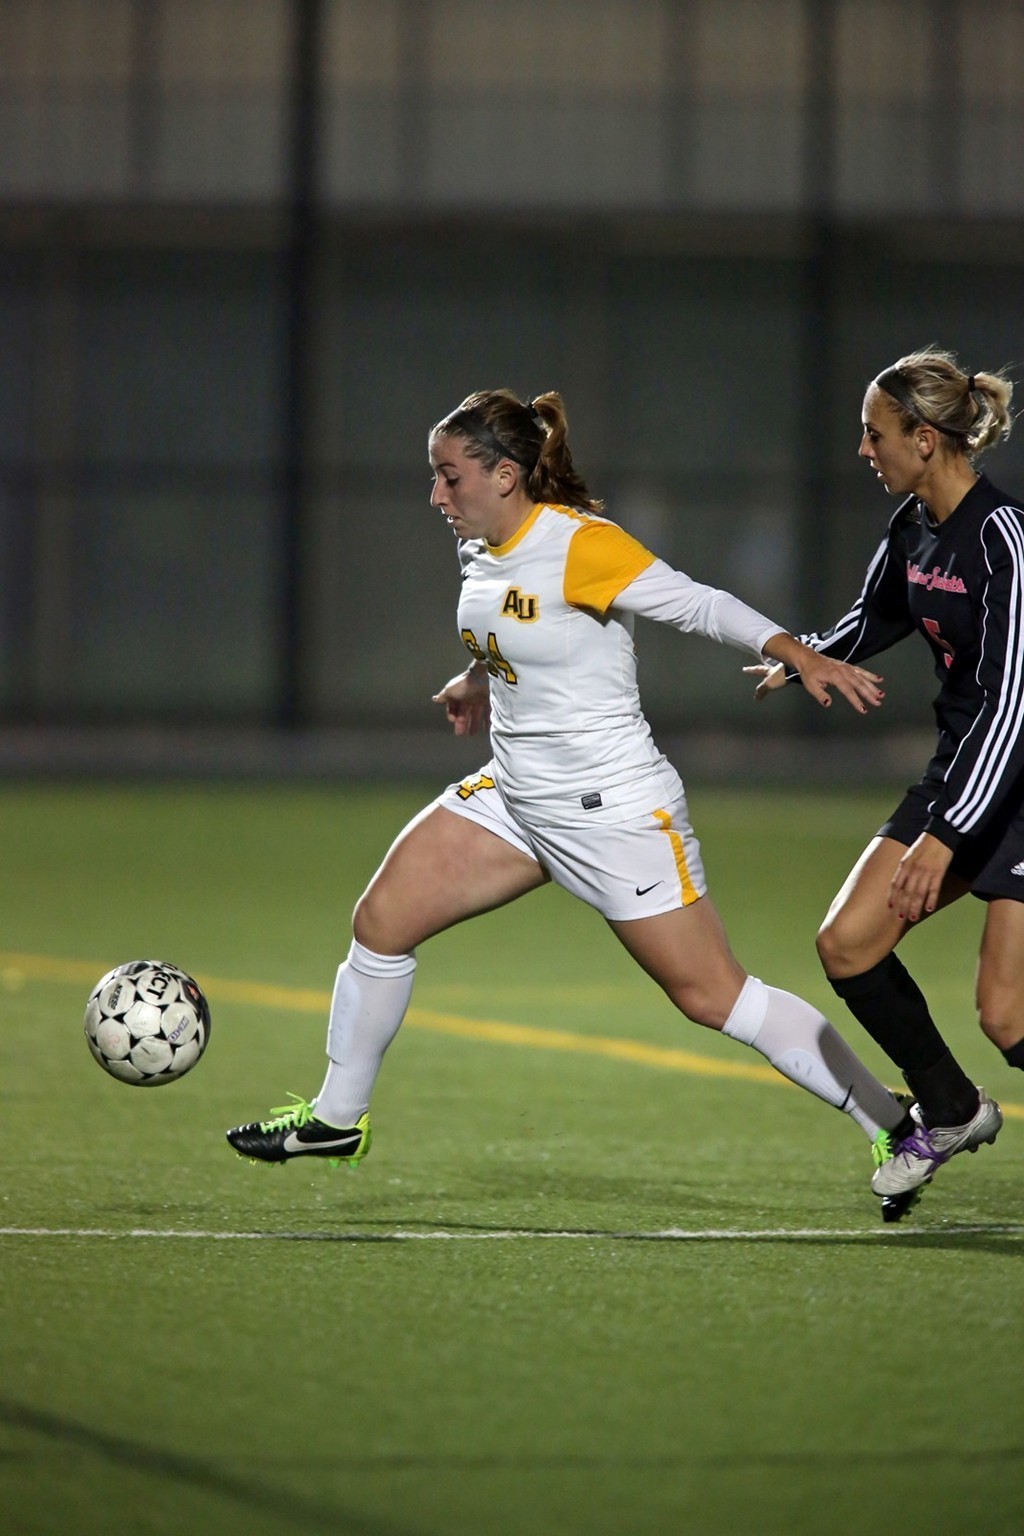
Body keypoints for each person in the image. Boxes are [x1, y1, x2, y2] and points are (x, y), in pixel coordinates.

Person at [227, 387, 920, 1218]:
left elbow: (696, 602)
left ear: (508, 474)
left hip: (612, 810)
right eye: (435, 478)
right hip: (515, 798)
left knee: (715, 997)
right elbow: (515, 626)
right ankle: (337, 1119)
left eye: (450, 477)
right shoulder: (483, 544)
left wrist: (797, 652)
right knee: (380, 922)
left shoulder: (580, 546)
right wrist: (477, 677)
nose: (437, 495)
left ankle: (895, 1119)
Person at [748, 348, 1014, 1201]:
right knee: (848, 944)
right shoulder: (912, 529)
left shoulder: (1005, 539)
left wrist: (946, 834)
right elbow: (872, 618)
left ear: (926, 440)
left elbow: (1016, 701)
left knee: (1006, 1014)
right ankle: (950, 1106)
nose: (865, 451)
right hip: (965, 769)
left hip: (1016, 779)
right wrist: (805, 660)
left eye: (876, 435)